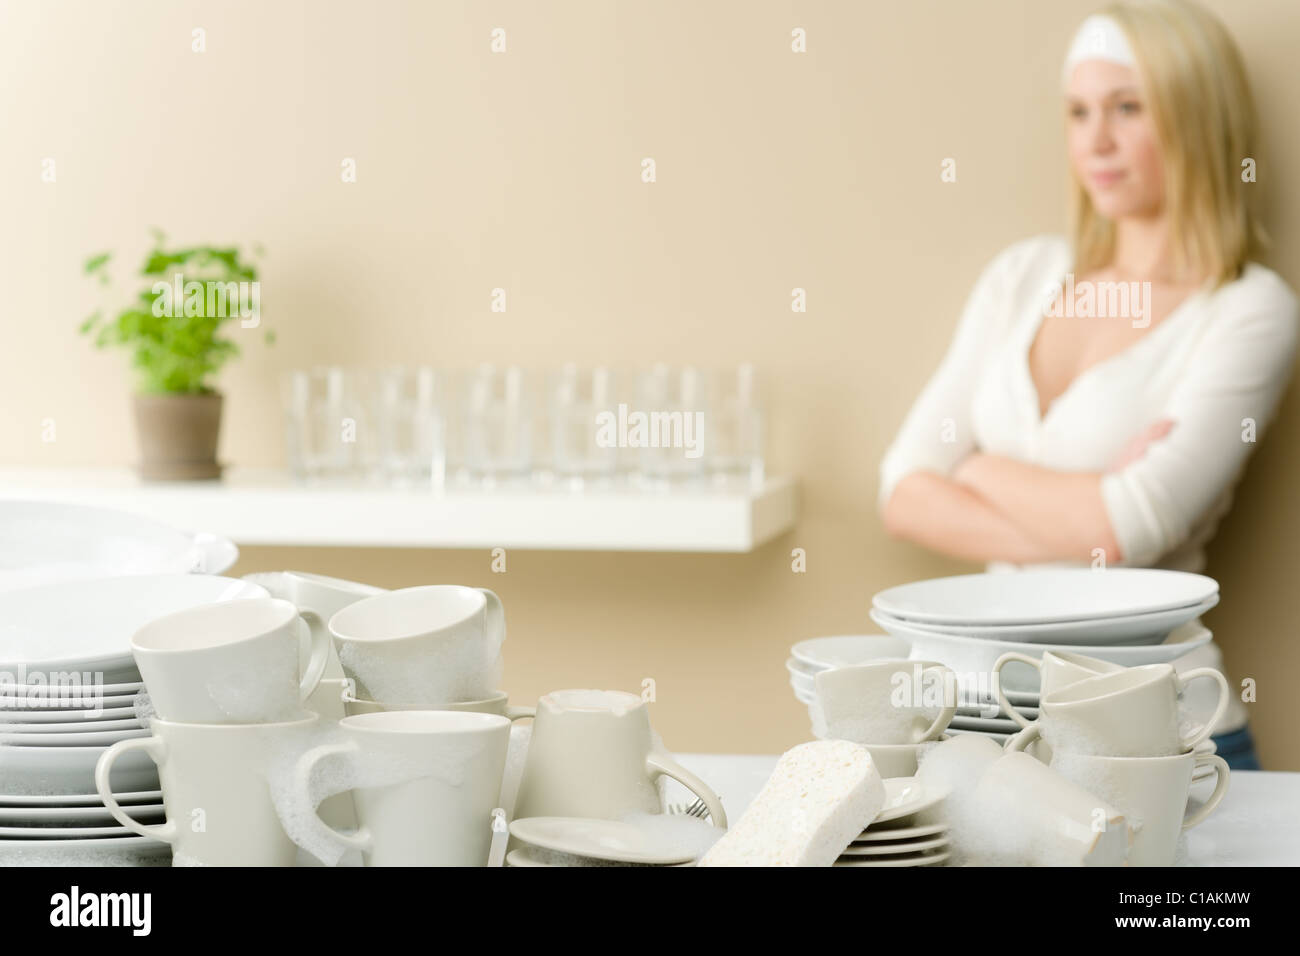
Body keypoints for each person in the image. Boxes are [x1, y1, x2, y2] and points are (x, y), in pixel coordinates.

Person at [877, 0, 1298, 769]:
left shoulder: (1250, 309)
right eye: (1078, 112)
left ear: (1196, 117)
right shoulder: (1023, 274)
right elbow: (902, 490)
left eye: (1127, 108)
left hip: (1163, 738)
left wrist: (973, 470)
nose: (1095, 141)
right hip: (984, 729)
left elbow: (1129, 526)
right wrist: (1091, 516)